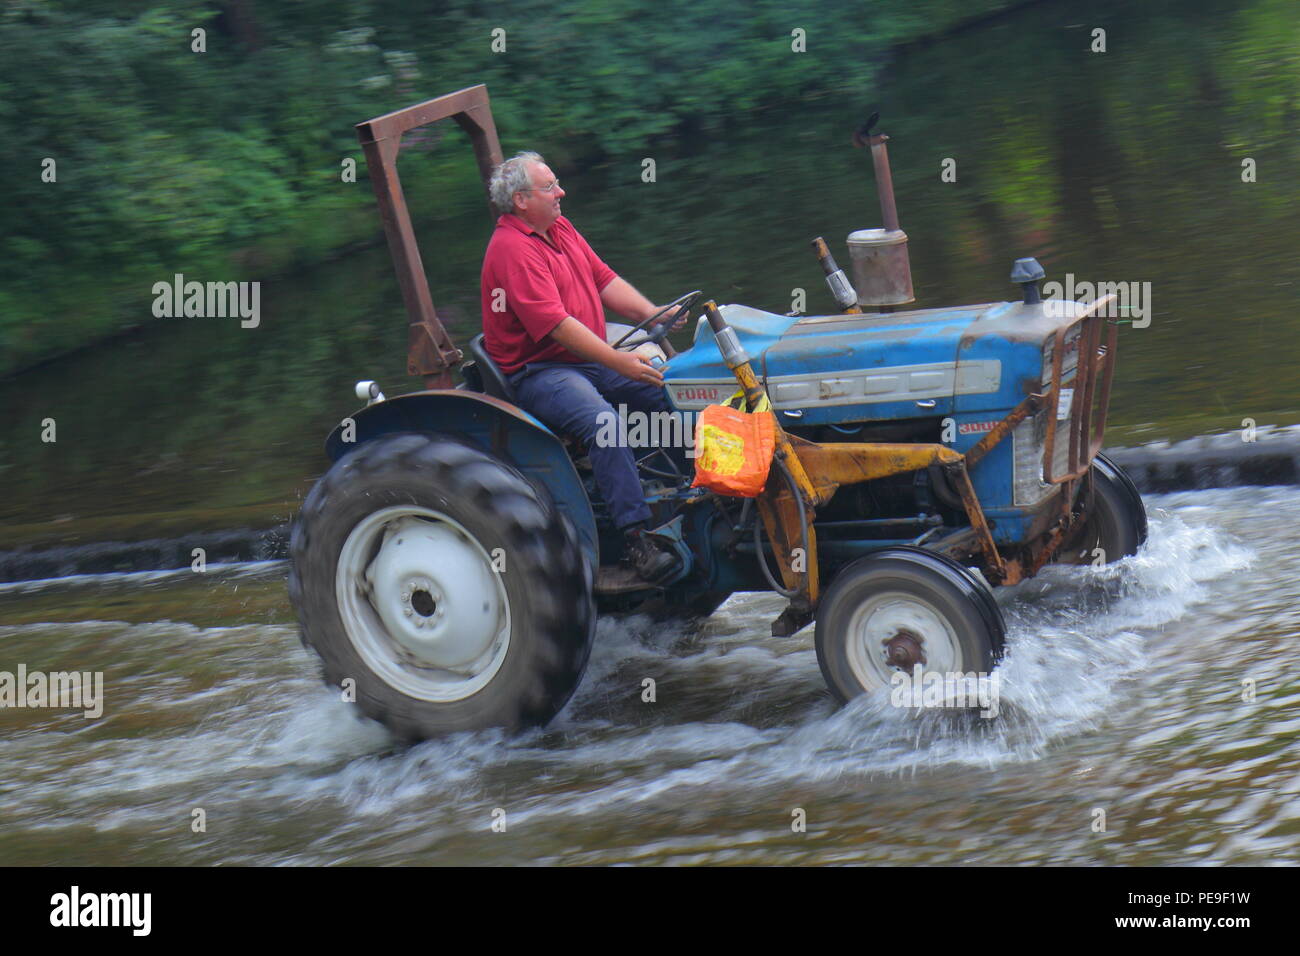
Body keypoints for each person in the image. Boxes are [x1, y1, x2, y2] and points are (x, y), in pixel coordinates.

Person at [480, 151, 685, 584]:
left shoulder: (558, 227)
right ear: (521, 200)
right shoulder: (512, 250)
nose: (561, 192)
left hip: (583, 359)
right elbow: (554, 325)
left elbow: (603, 279)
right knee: (604, 424)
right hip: (540, 372)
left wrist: (654, 312)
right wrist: (618, 361)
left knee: (672, 388)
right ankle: (637, 541)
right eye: (550, 186)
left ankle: (700, 492)